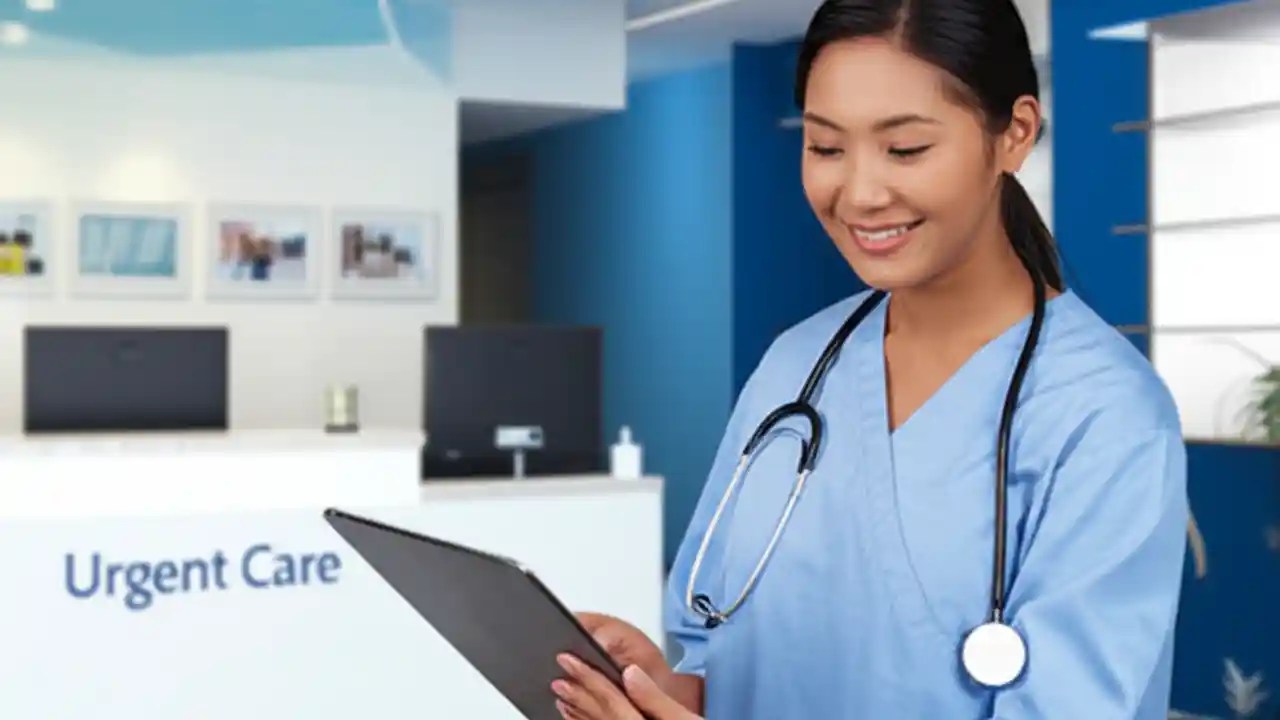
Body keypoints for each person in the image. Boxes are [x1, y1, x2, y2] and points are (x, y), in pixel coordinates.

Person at [550, 0, 1190, 718]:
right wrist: (665, 691)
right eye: (825, 148)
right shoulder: (796, 367)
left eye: (906, 149)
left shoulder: (1104, 417)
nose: (858, 193)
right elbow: (730, 651)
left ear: (1015, 133)